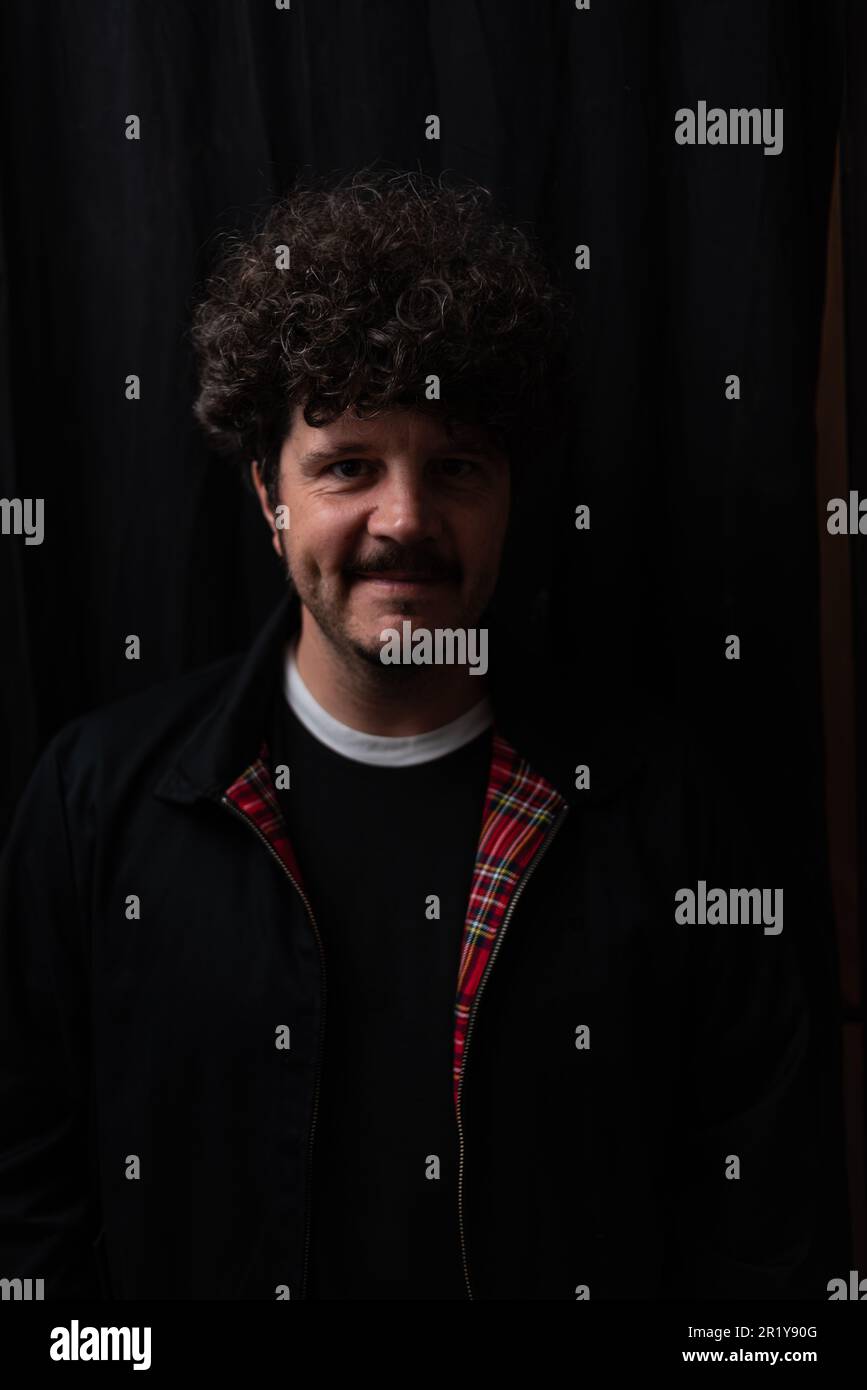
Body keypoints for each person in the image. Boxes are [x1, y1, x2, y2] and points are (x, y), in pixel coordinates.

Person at [0, 167, 821, 1300]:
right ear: (267, 496)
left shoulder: (666, 812)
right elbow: (27, 1209)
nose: (404, 520)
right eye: (347, 467)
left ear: (510, 495)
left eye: (455, 468)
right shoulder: (95, 801)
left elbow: (765, 1230)